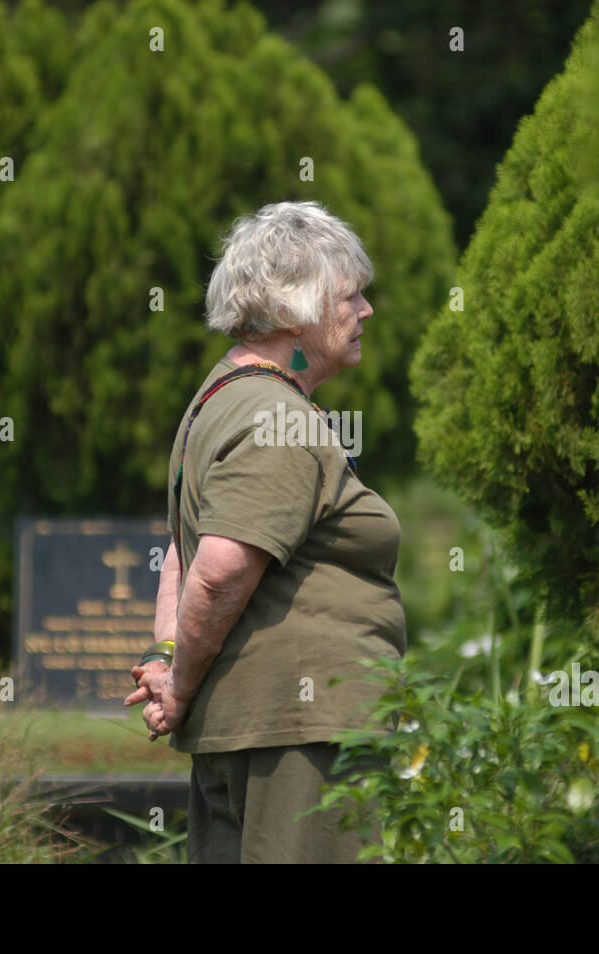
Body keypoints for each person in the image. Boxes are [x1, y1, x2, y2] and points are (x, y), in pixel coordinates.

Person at [124, 200, 406, 863]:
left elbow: (181, 555)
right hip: (298, 736)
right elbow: (218, 567)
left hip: (256, 730)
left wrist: (169, 662)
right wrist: (181, 686)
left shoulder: (220, 399)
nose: (366, 311)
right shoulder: (278, 416)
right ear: (295, 312)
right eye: (350, 296)